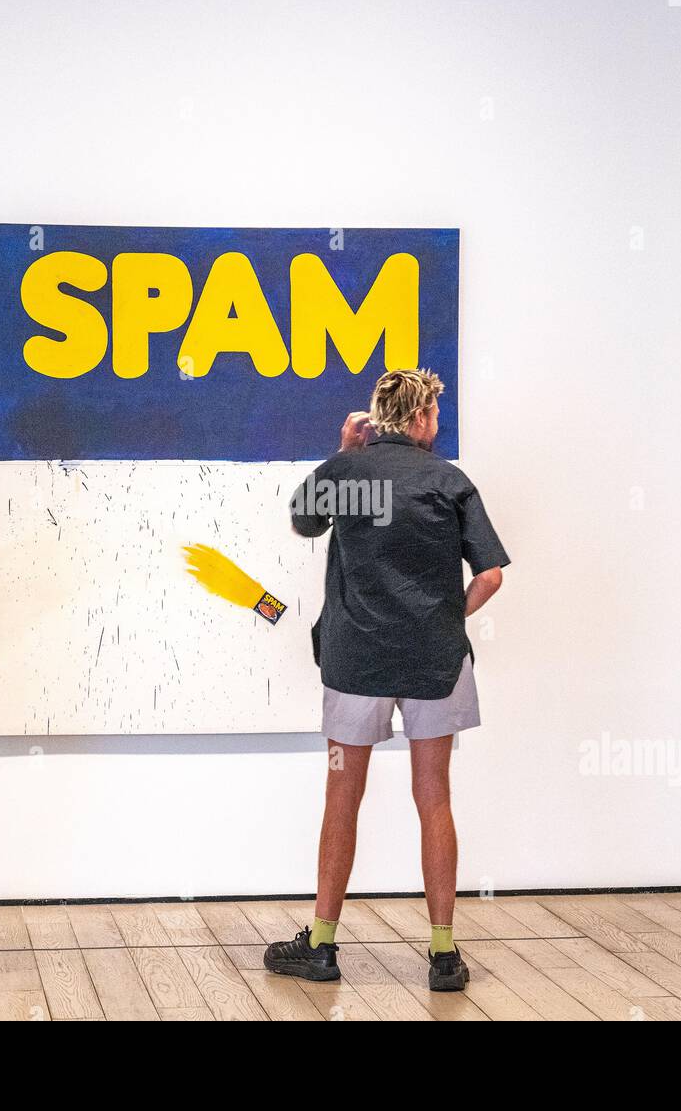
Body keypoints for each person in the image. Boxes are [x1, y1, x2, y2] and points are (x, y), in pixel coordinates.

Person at [264, 368, 509, 991]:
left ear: (376, 419)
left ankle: (321, 945)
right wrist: (445, 616)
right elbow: (490, 576)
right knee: (435, 800)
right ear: (423, 418)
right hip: (437, 665)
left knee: (342, 796)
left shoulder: (350, 476)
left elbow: (303, 521)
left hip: (357, 666)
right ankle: (444, 955)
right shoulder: (450, 481)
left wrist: (343, 454)